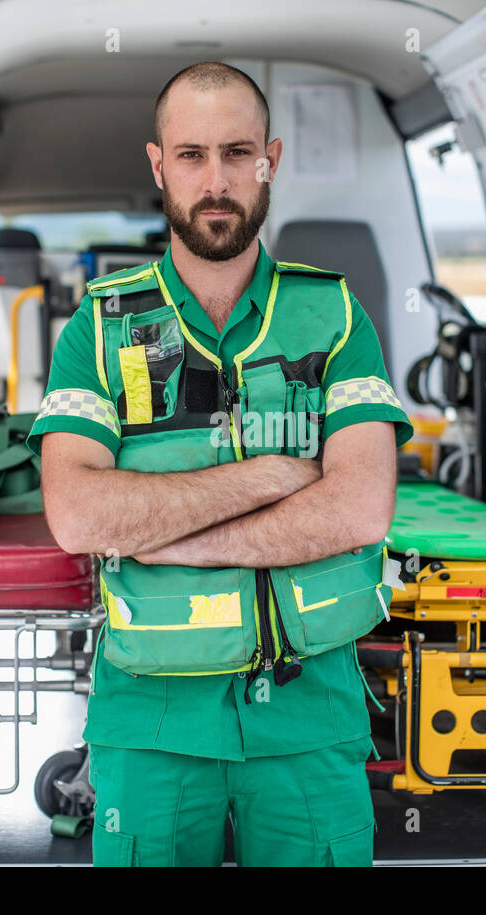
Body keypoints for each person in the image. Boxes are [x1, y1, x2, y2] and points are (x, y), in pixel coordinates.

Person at [26, 61, 413, 866]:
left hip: (311, 719)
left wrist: (173, 535)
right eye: (193, 155)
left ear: (270, 158)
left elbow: (360, 508)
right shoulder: (99, 329)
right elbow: (78, 515)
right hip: (151, 724)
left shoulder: (335, 314)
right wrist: (271, 477)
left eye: (238, 153)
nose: (217, 181)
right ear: (158, 164)